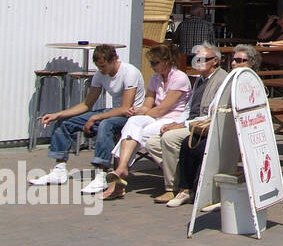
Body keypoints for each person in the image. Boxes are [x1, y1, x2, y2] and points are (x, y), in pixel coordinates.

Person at [29, 45, 145, 195]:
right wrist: (58, 114)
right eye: (98, 67)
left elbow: (125, 108)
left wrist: (95, 117)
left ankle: (102, 174)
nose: (101, 70)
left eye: (103, 66)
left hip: (132, 116)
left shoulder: (130, 73)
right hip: (112, 112)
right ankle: (59, 170)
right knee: (66, 123)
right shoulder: (100, 74)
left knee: (105, 124)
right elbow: (86, 104)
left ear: (114, 60)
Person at [169, 45, 260, 208]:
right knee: (188, 143)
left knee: (203, 148)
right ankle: (185, 189)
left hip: (237, 131)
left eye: (240, 60)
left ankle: (214, 195)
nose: (234, 63)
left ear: (251, 63)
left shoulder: (250, 82)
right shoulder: (229, 80)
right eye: (234, 60)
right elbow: (214, 108)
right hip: (216, 126)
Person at [102, 43, 191, 200]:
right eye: (151, 63)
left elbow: (162, 109)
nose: (152, 66)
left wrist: (146, 112)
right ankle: (122, 169)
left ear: (166, 61)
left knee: (140, 134)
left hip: (174, 118)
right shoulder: (155, 78)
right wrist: (137, 111)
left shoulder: (180, 78)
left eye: (155, 63)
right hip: (157, 117)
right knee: (133, 122)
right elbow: (147, 105)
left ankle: (119, 176)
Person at [146, 42, 228, 203]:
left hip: (204, 125)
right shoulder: (199, 80)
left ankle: (172, 188)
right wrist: (178, 122)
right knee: (152, 143)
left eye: (203, 59)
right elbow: (189, 107)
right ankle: (184, 177)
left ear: (215, 61)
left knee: (169, 138)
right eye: (196, 59)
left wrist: (181, 125)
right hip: (191, 121)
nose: (198, 63)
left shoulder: (222, 80)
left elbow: (213, 113)